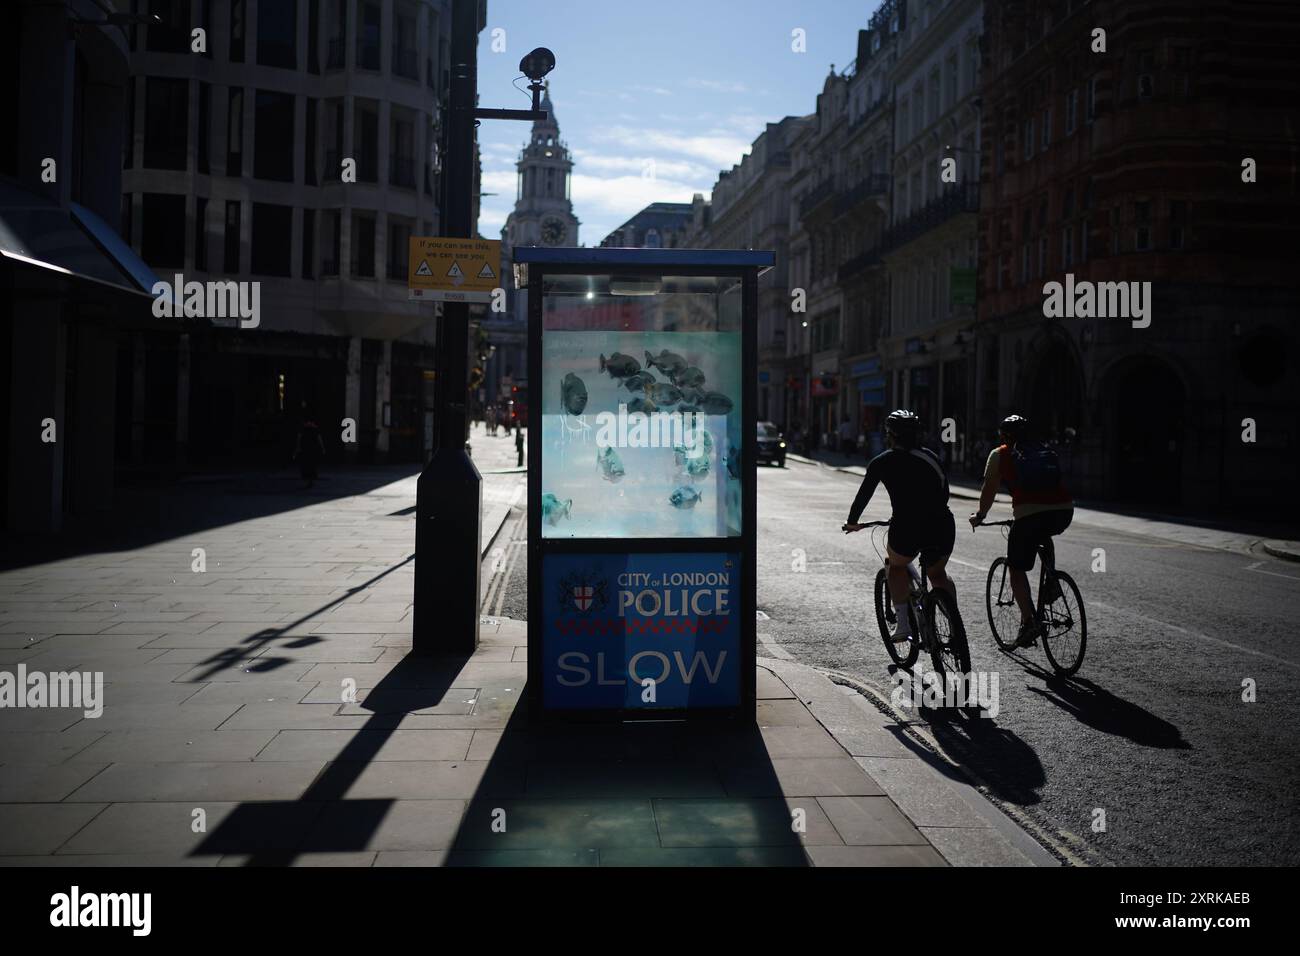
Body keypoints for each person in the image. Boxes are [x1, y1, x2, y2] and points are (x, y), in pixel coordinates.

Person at [842, 409, 959, 644]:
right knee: (937, 574)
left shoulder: (881, 462)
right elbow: (944, 491)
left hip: (906, 526)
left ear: (890, 435)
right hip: (942, 523)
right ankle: (955, 625)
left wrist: (853, 522)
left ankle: (904, 624)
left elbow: (863, 495)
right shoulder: (930, 457)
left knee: (894, 566)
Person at [968, 414, 1074, 647]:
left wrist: (981, 515)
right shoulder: (1046, 450)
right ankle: (1052, 580)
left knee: (1016, 568)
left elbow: (989, 488)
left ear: (1004, 435)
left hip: (1029, 515)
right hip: (1064, 511)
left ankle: (1029, 622)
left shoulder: (1001, 454)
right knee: (1044, 532)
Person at [293, 404, 326, 489]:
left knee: (307, 464)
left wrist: (297, 448)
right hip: (312, 449)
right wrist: (322, 448)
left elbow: (299, 438)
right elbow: (319, 439)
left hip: (306, 448)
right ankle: (310, 479)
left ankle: (308, 479)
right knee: (312, 464)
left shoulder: (303, 428)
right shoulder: (314, 429)